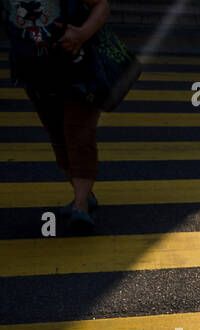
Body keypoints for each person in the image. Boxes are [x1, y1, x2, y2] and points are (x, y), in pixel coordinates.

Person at [4, 0, 109, 233]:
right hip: (35, 75)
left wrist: (82, 33)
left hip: (78, 71)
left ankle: (80, 206)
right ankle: (84, 195)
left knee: (79, 136)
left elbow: (101, 4)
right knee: (59, 138)